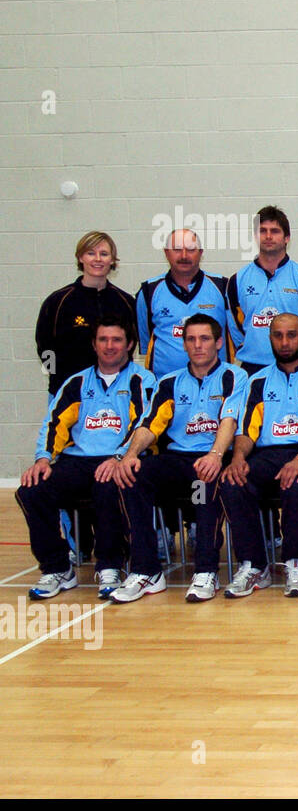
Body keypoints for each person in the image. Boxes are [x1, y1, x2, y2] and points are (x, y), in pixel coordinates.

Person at [106, 314, 248, 604]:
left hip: (212, 455)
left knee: (203, 483)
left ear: (218, 343)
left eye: (205, 339)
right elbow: (150, 424)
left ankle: (206, 571)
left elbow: (229, 419)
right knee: (132, 476)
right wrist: (129, 455)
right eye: (191, 339)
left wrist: (215, 455)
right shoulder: (169, 382)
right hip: (177, 458)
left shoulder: (234, 376)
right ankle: (146, 570)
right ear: (183, 344)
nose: (198, 345)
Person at [17, 317, 155, 600]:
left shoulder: (142, 380)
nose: (109, 346)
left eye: (116, 340)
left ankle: (110, 566)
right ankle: (57, 568)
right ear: (94, 344)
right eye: (103, 339)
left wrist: (119, 456)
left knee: (108, 486)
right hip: (77, 461)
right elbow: (54, 423)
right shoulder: (76, 382)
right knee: (31, 490)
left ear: (129, 344)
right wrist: (43, 459)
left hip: (119, 458)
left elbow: (144, 423)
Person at [218, 314, 298, 599]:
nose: (284, 342)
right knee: (233, 482)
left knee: (296, 483)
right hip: (266, 454)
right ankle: (254, 565)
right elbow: (247, 430)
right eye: (278, 335)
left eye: (291, 335)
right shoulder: (257, 381)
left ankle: (295, 564)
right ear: (269, 338)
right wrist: (237, 458)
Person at [226, 205, 298, 374]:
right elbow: (234, 328)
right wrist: (251, 348)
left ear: (287, 237)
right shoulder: (237, 280)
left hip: (294, 368)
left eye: (275, 231)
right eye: (262, 231)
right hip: (252, 369)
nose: (268, 236)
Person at [35, 231, 136, 397]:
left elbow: (131, 345)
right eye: (91, 253)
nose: (98, 259)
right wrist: (58, 378)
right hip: (68, 392)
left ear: (112, 260)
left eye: (104, 254)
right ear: (80, 258)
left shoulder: (125, 302)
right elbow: (44, 346)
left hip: (116, 392)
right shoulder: (58, 301)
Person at [137, 228, 230, 380]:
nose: (184, 256)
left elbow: (235, 335)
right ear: (166, 252)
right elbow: (147, 341)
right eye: (177, 249)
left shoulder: (223, 287)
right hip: (164, 383)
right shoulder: (148, 291)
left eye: (191, 250)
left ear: (201, 253)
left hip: (215, 383)